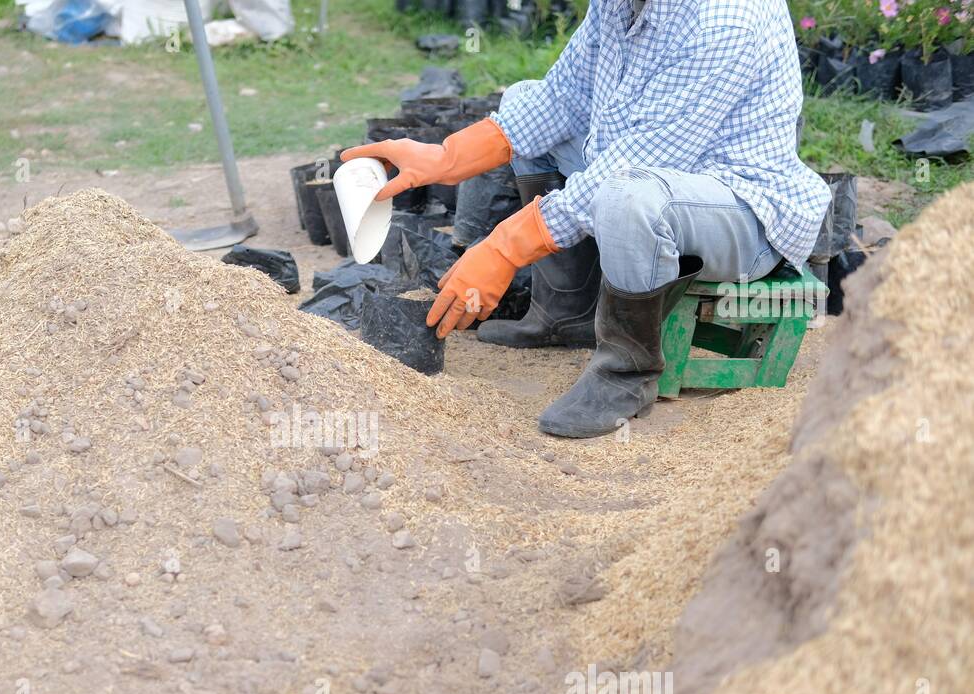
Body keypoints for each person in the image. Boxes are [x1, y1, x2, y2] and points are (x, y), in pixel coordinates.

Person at [341, 0, 830, 438]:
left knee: (625, 197)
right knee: (526, 100)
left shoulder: (726, 18)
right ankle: (567, 316)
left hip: (741, 208)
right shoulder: (621, 5)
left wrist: (503, 248)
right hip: (657, 173)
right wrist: (445, 157)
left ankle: (627, 373)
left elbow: (634, 163)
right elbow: (560, 100)